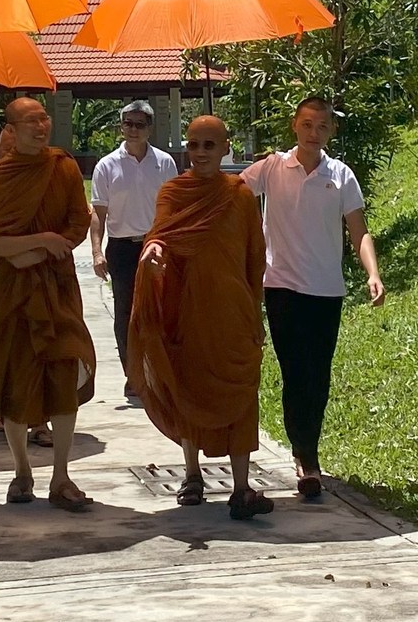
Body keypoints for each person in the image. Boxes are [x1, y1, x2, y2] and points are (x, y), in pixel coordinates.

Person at [240, 97, 385, 502]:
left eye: (322, 126)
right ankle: (306, 458)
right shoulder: (272, 167)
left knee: (318, 376)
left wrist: (372, 274)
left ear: (330, 132)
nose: (313, 133)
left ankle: (308, 448)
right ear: (295, 126)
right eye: (307, 124)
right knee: (294, 372)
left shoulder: (340, 176)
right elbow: (231, 192)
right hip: (281, 286)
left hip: (326, 289)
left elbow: (359, 230)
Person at [131, 114, 270, 520]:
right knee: (188, 386)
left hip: (232, 310)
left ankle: (242, 488)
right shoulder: (173, 192)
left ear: (226, 148)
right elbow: (159, 236)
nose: (201, 153)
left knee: (240, 391)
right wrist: (154, 252)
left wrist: (254, 311)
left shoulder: (240, 195)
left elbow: (254, 258)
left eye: (210, 145)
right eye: (194, 145)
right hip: (186, 308)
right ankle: (192, 476)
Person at [0, 95, 98, 511]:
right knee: (14, 378)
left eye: (44, 118)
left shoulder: (62, 167)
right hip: (12, 297)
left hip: (57, 289)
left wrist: (40, 250)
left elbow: (78, 222)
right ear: (10, 130)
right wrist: (40, 241)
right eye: (30, 121)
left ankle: (61, 476)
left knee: (64, 370)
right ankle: (22, 470)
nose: (41, 126)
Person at [89, 99, 177, 402]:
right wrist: (97, 253)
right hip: (123, 249)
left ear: (150, 128)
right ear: (121, 127)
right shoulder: (107, 165)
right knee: (126, 312)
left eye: (140, 124)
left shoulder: (164, 163)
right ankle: (133, 375)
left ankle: (158, 371)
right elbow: (98, 213)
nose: (134, 130)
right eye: (128, 124)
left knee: (159, 310)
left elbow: (171, 208)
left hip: (156, 244)